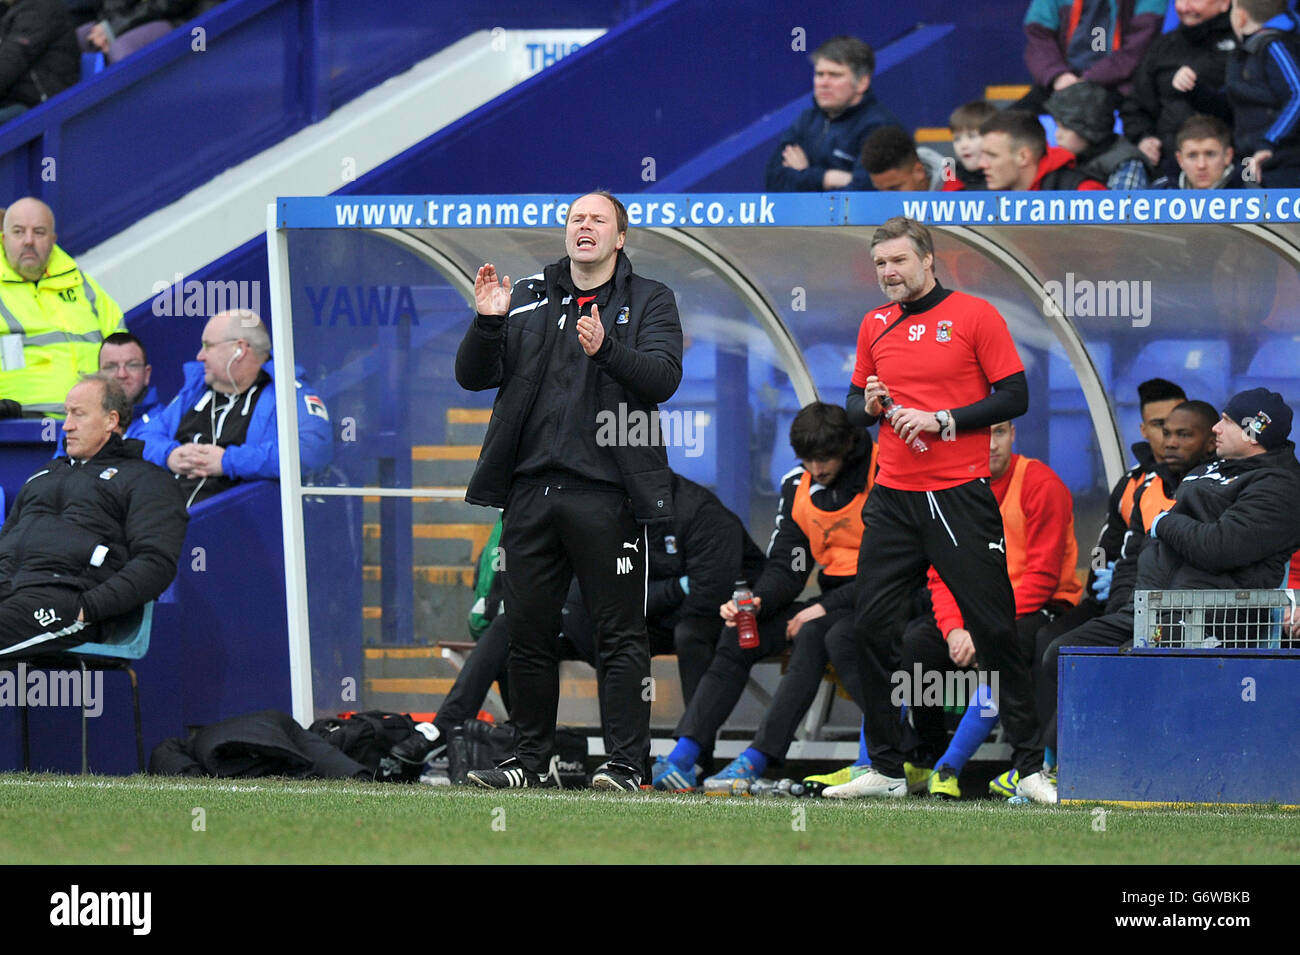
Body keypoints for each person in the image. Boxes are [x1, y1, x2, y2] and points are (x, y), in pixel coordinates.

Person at [455, 190, 683, 791]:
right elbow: (473, 377)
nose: (584, 227)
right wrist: (487, 321)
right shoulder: (528, 295)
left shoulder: (650, 298)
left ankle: (626, 765)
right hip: (530, 492)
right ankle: (527, 763)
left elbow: (663, 379)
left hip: (606, 495)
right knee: (527, 631)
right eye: (576, 219)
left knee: (619, 636)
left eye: (597, 220)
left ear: (620, 237)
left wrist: (606, 348)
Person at [833, 216, 1055, 803]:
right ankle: (884, 768)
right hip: (894, 497)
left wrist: (945, 420)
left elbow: (1016, 396)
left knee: (997, 629)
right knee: (869, 628)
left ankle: (1030, 766)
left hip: (958, 494)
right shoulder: (873, 324)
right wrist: (871, 403)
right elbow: (853, 405)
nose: (888, 273)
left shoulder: (976, 315)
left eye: (899, 261)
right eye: (880, 264)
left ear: (928, 261)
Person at [392, 471, 765, 778]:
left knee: (667, 634)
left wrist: (643, 593)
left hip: (684, 621)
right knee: (513, 626)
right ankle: (448, 728)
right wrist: (660, 589)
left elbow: (703, 596)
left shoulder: (702, 513)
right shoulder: (607, 511)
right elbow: (583, 583)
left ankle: (669, 760)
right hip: (613, 614)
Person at [1037, 394, 1298, 794]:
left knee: (1125, 669)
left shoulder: (1280, 485)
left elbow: (1219, 546)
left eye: (1225, 421)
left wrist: (1165, 525)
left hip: (1215, 616)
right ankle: (1059, 768)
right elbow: (1170, 537)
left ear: (1253, 431)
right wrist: (1165, 538)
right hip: (1151, 606)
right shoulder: (1213, 469)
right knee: (1063, 651)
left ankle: (1096, 777)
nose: (1216, 428)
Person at [650, 402, 875, 791]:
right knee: (740, 630)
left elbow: (891, 568)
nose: (816, 469)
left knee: (813, 632)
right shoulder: (797, 485)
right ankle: (684, 756)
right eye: (808, 460)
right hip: (831, 600)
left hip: (878, 600)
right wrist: (756, 601)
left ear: (848, 446)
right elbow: (788, 564)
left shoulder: (883, 477)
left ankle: (755, 760)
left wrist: (823, 607)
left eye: (825, 459)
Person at [902, 420, 1082, 799]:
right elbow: (940, 574)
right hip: (973, 611)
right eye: (979, 435)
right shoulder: (952, 489)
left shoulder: (1040, 484)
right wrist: (953, 629)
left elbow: (1042, 577)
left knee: (1004, 642)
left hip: (1037, 606)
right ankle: (923, 754)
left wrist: (981, 626)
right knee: (917, 641)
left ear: (1014, 433)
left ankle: (950, 767)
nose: (991, 444)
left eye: (998, 432)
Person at [0, 374, 187, 657]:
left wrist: (87, 608)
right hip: (9, 590)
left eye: (79, 414)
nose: (67, 425)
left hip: (65, 600)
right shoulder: (42, 475)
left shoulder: (146, 480)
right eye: (66, 413)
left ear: (111, 421)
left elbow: (156, 563)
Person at [1034, 378, 1187, 664]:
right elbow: (1105, 547)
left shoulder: (1201, 481)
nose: (1169, 437)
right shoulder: (1130, 483)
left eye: (1177, 426)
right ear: (1143, 430)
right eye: (1159, 426)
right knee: (1048, 641)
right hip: (1112, 597)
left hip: (1164, 605)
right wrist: (1100, 580)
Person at [135, 309, 332, 508]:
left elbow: (313, 449)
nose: (200, 356)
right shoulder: (195, 391)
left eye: (207, 346)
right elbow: (140, 438)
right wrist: (170, 455)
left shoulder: (287, 392)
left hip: (239, 523)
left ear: (239, 349)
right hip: (161, 519)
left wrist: (227, 461)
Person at [0, 197, 124, 415]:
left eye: (39, 232)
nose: (29, 240)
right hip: (19, 427)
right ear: (4, 238)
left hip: (93, 427)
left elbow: (123, 353)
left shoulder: (83, 286)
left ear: (53, 239)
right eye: (18, 232)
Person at [1183, 0, 1300, 186]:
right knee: (1248, 210)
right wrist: (1194, 90)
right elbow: (1228, 105)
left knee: (1279, 212)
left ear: (1241, 17)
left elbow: (1298, 96)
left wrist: (1270, 143)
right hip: (1249, 161)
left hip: (1284, 162)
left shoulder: (1275, 46)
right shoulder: (1241, 55)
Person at [764, 35, 900, 192]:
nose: (823, 83)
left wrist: (803, 175)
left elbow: (864, 192)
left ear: (862, 82)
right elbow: (774, 180)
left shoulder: (880, 128)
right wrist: (829, 178)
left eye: (835, 75)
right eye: (819, 74)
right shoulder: (807, 120)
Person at [1120, 0, 1236, 180]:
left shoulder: (1242, 45)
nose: (1184, 7)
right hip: (1167, 169)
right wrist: (1143, 138)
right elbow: (1135, 106)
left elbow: (1247, 111)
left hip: (1231, 171)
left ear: (1224, 3)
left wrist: (1196, 91)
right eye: (1180, 0)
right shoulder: (1163, 46)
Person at [1018, 0, 1167, 116]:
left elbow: (1137, 48)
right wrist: (1058, 76)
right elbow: (1038, 37)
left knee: (1084, 131)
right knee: (1008, 130)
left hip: (1118, 86)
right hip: (1061, 82)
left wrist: (1088, 80)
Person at [1046, 80, 1152, 188]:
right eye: (1057, 127)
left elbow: (1123, 204)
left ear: (1089, 129)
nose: (1057, 135)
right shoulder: (1064, 160)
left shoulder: (1126, 163)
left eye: (1065, 128)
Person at [978, 110, 1107, 191]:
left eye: (992, 155)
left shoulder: (1084, 193)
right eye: (982, 154)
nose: (982, 164)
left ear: (1023, 157)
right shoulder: (980, 198)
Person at [0, 0, 79, 124]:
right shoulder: (12, 10)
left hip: (36, 106)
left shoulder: (40, 8)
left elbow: (10, 61)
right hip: (13, 100)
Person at [77, 0, 218, 65]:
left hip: (188, 21)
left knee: (122, 49)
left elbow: (170, 4)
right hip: (146, 15)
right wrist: (106, 23)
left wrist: (114, 28)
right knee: (80, 37)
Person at [98, 331, 165, 438]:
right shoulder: (79, 423)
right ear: (98, 375)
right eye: (111, 366)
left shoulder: (167, 423)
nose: (122, 374)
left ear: (147, 374)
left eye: (132, 365)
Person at [1151, 113, 1246, 187]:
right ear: (1180, 160)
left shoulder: (1252, 197)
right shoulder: (1158, 195)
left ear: (1227, 156)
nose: (1201, 165)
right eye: (1192, 155)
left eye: (1210, 154)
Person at [861, 125, 948, 191]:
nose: (886, 199)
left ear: (919, 171)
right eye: (880, 190)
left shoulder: (957, 193)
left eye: (894, 189)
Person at [941, 99, 998, 191]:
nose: (963, 146)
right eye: (957, 139)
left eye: (972, 137)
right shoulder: (950, 176)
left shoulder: (1005, 178)